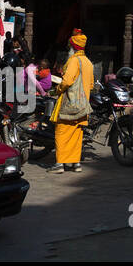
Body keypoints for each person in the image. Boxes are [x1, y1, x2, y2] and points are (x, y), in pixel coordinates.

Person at [47, 32, 94, 174]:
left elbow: (67, 81)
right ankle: (75, 163)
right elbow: (91, 84)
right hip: (83, 105)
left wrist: (58, 89)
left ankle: (60, 164)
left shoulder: (74, 61)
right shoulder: (88, 62)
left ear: (73, 48)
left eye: (69, 47)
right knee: (76, 135)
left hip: (70, 104)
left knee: (61, 132)